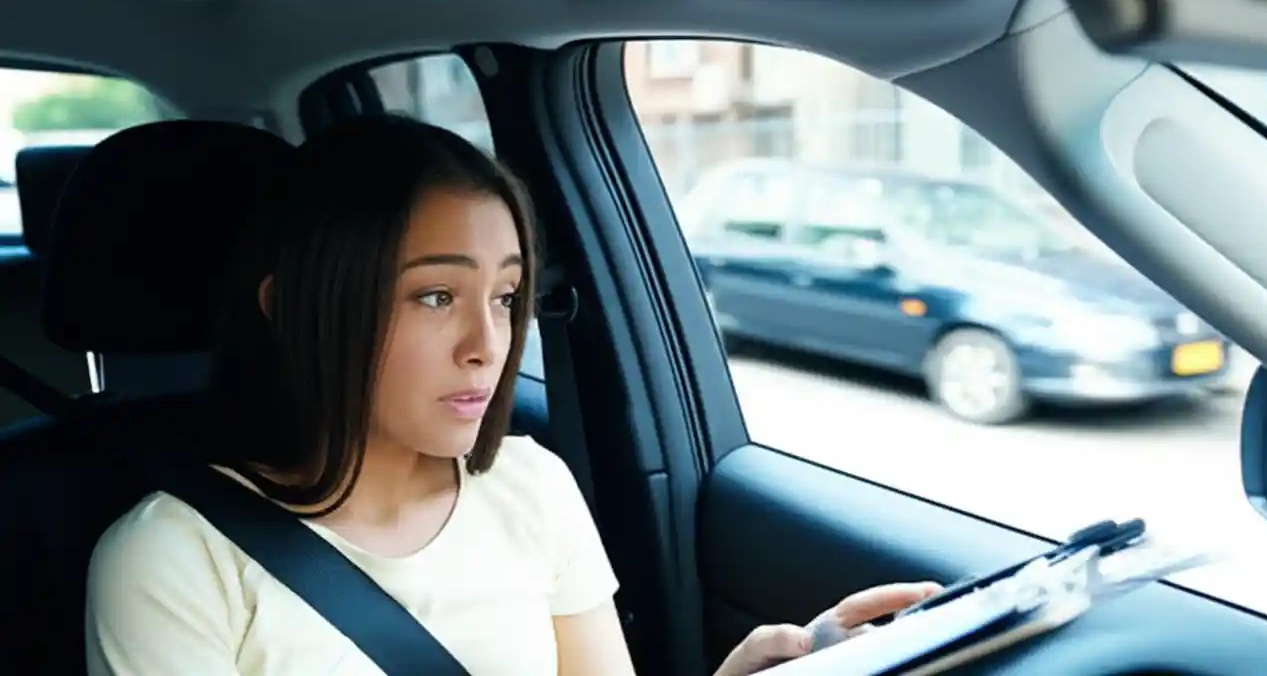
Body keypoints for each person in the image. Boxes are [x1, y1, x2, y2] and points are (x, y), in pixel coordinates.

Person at [84, 114, 940, 675]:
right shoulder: (172, 560)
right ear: (295, 309)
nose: (488, 345)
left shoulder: (531, 488)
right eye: (434, 296)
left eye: (504, 296)